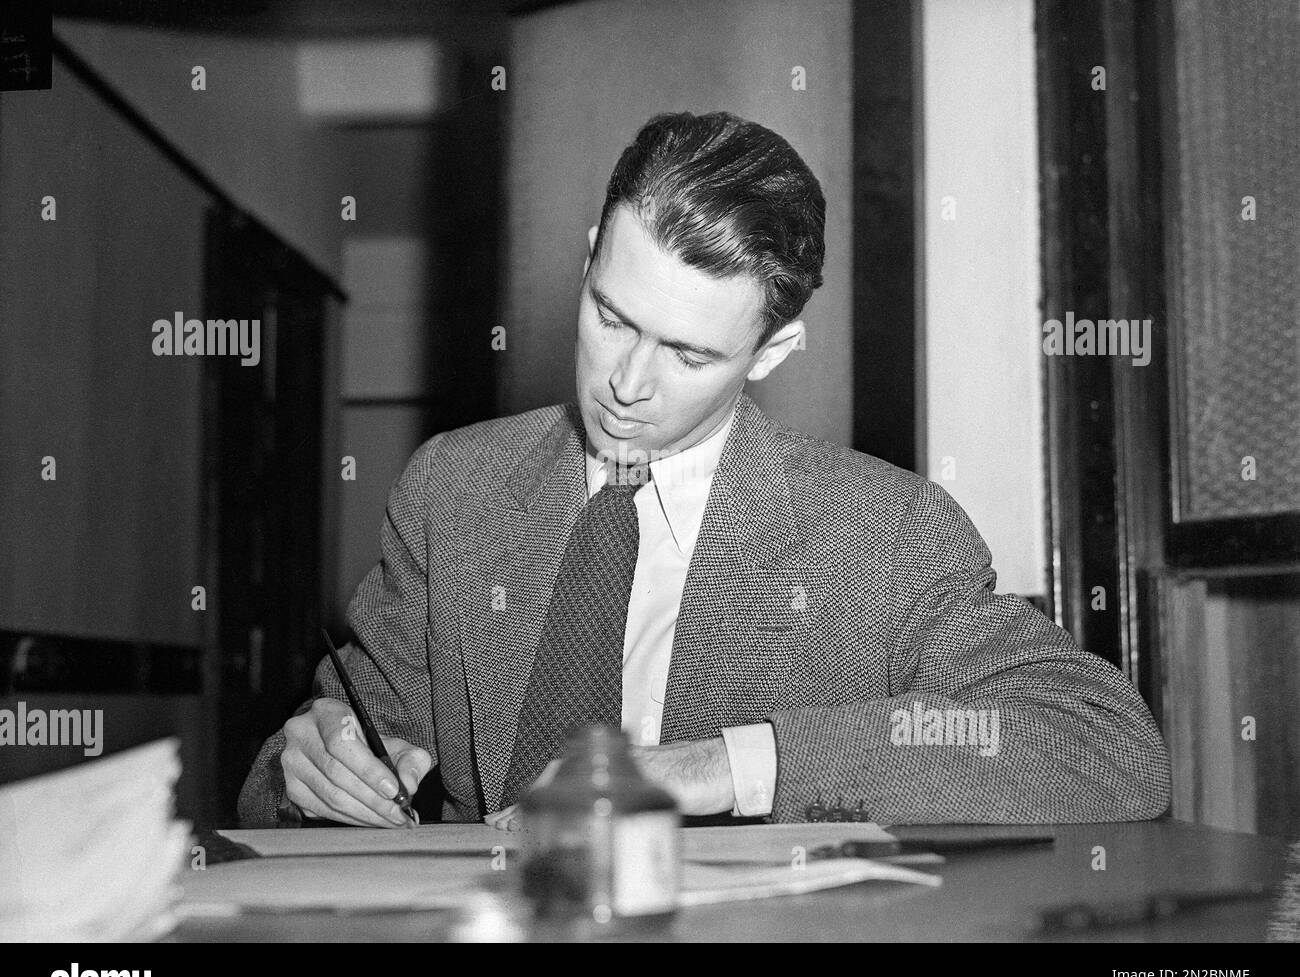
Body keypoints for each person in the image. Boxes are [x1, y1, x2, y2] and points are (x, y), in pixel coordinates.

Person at [238, 111, 1171, 829]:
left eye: (688, 354)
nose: (628, 385)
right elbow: (313, 753)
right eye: (611, 316)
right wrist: (306, 764)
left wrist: (721, 765)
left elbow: (1106, 747)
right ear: (586, 264)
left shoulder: (883, 535)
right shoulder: (454, 490)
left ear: (770, 352)